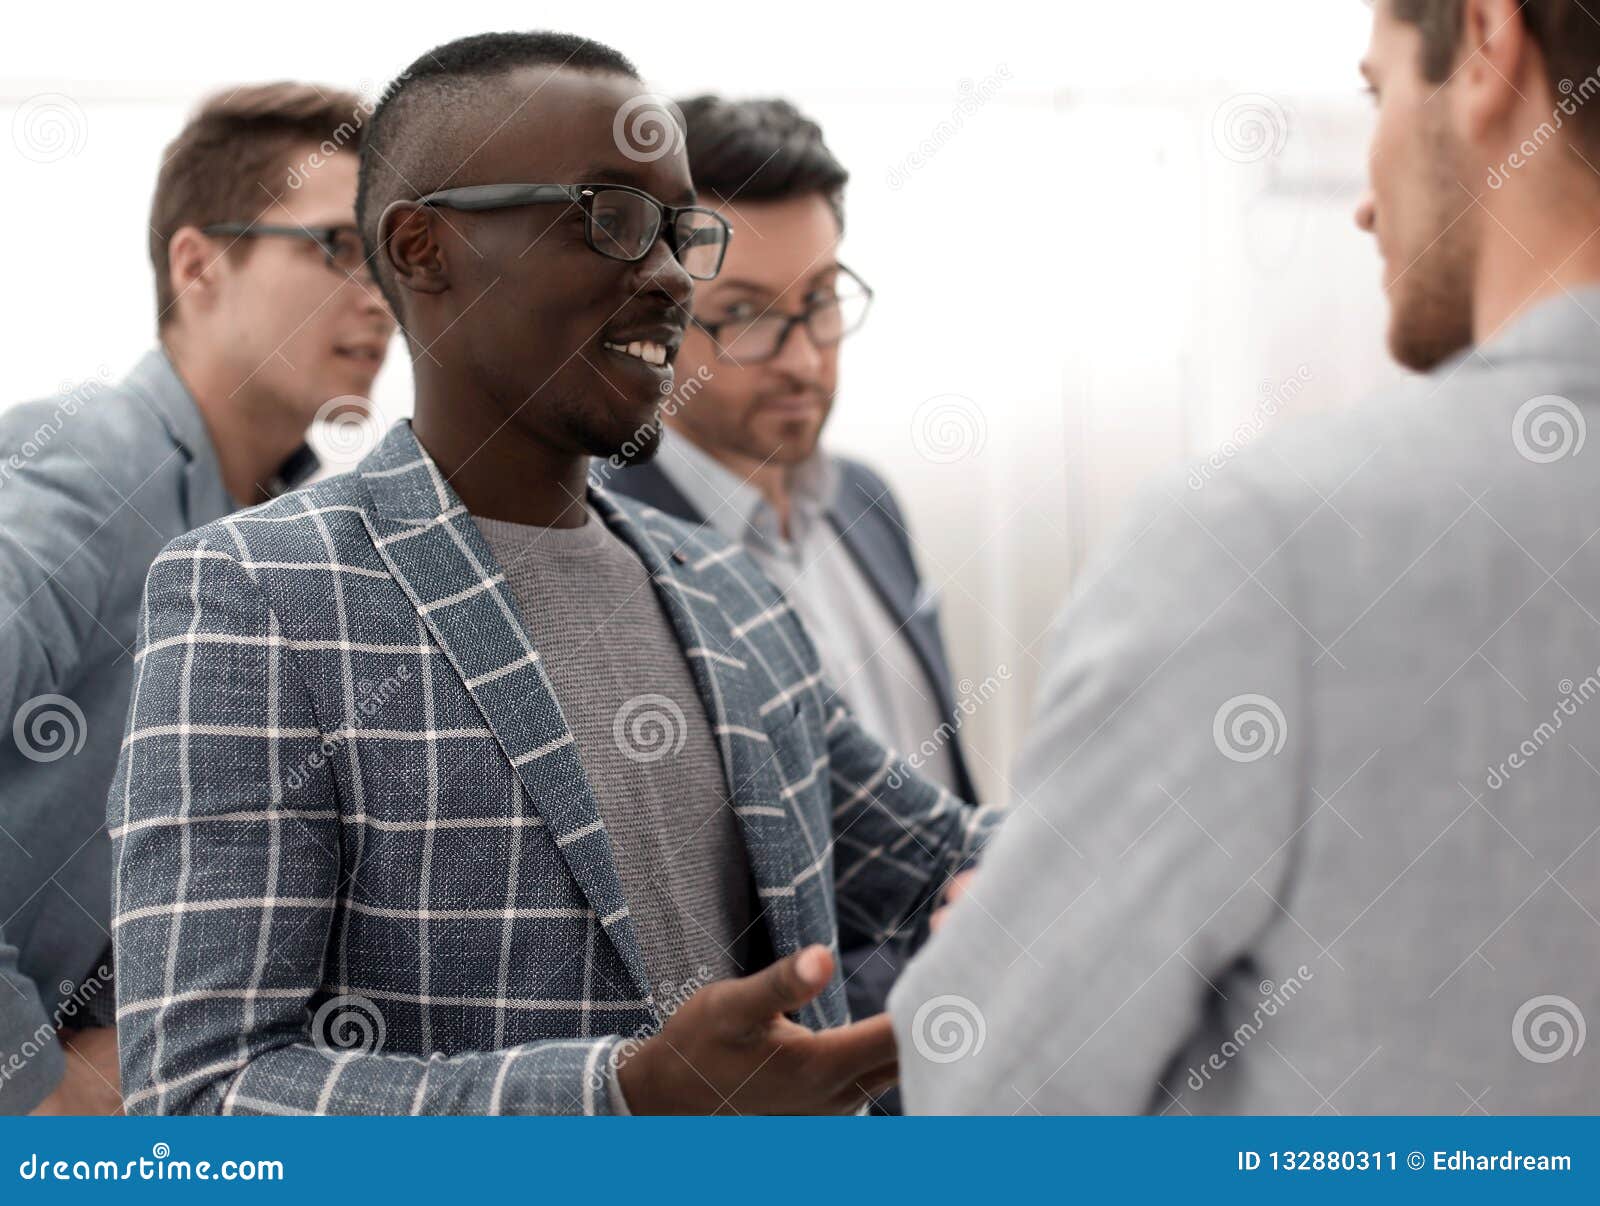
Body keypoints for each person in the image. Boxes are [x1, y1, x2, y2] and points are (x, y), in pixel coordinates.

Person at [108, 31, 994, 1116]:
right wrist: (618, 1101)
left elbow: (947, 855)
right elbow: (202, 1097)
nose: (670, 276)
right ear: (424, 248)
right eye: (611, 219)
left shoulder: (727, 593)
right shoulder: (257, 595)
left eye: (679, 230)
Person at [893, 0, 1600, 1114]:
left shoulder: (1263, 548)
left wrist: (1006, 964)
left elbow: (999, 1117)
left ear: (1484, 44)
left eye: (1375, 94)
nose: (1365, 206)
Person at [0, 82, 392, 1116]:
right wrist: (33, 1080)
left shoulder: (289, 528)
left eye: (390, 256)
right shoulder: (94, 467)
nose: (379, 295)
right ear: (197, 263)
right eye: (335, 247)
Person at [603, 95, 981, 1023]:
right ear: (656, 318)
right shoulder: (610, 560)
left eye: (818, 304)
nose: (805, 361)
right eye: (744, 318)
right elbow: (705, 940)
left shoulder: (866, 502)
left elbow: (937, 796)